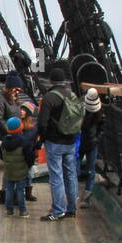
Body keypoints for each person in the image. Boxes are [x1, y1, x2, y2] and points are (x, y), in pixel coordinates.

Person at [35, 67, 84, 221]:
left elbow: (42, 123)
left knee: (56, 176)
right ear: (64, 81)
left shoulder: (50, 97)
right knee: (70, 174)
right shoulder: (72, 95)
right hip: (70, 140)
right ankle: (71, 208)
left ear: (51, 81)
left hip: (54, 141)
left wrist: (42, 139)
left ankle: (58, 210)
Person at [0, 115, 36, 218]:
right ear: (20, 128)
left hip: (9, 170)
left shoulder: (4, 142)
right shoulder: (24, 141)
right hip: (21, 170)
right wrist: (29, 164)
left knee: (9, 189)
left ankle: (9, 210)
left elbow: (1, 154)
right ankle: (22, 211)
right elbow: (29, 156)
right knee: (20, 190)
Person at [79, 87, 104, 206]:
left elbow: (101, 128)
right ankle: (86, 195)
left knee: (75, 168)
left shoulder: (80, 110)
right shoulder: (99, 113)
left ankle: (85, 198)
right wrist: (97, 138)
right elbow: (101, 128)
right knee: (90, 170)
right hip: (90, 143)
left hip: (84, 142)